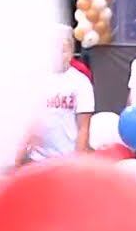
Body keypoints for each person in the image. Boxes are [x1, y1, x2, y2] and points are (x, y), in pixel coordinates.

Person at [23, 31, 93, 163]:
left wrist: (78, 159)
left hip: (66, 158)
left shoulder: (81, 82)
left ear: (71, 53)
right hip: (38, 158)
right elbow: (30, 120)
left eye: (63, 50)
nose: (58, 54)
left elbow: (83, 127)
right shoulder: (38, 79)